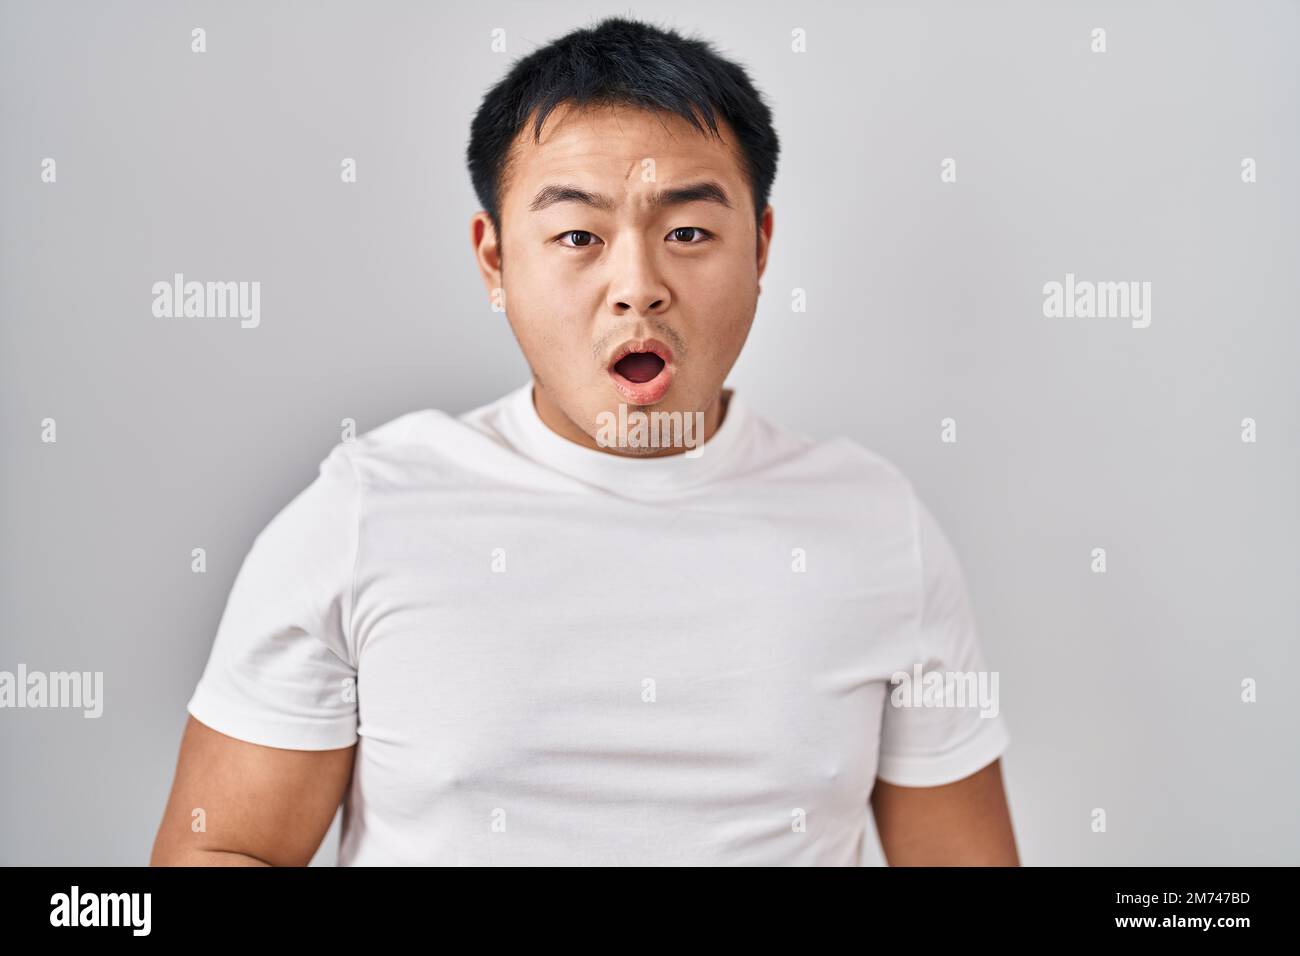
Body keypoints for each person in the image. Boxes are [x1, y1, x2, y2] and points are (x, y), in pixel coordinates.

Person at [152, 15, 1018, 866]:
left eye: (688, 233)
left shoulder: (873, 525)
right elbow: (224, 850)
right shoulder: (364, 512)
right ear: (494, 260)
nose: (637, 288)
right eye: (578, 236)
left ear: (760, 247)